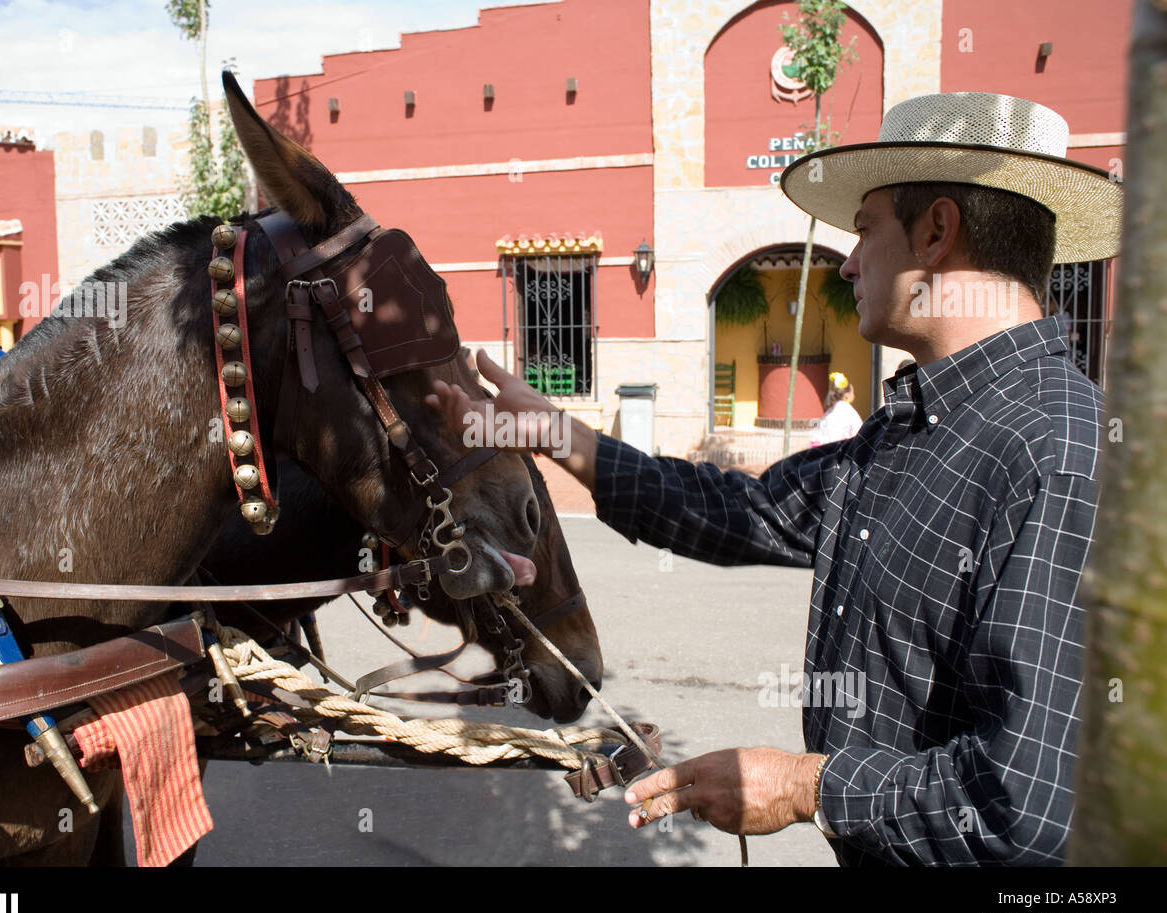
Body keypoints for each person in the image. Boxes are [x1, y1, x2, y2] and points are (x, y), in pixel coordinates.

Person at [426, 91, 1119, 865]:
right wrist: (554, 432)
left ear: (936, 231)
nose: (850, 263)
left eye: (865, 230)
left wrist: (806, 788)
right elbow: (742, 512)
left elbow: (1032, 803)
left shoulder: (1061, 449)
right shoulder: (910, 428)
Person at [812, 371, 863, 445]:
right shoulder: (851, 414)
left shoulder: (829, 413)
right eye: (852, 392)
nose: (853, 395)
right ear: (847, 395)